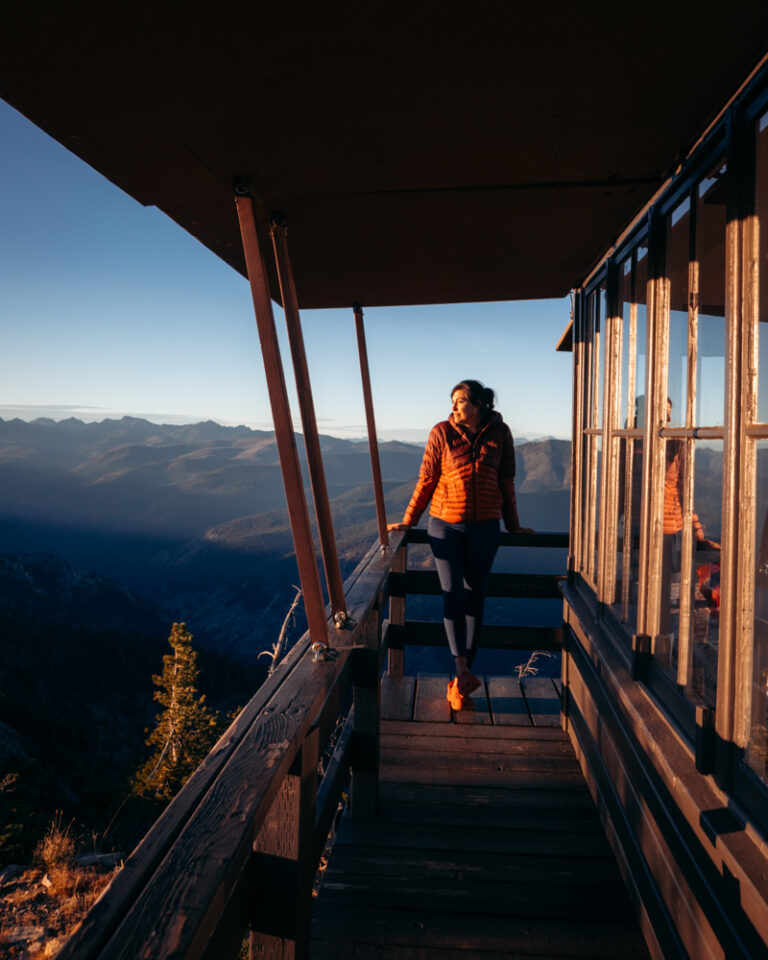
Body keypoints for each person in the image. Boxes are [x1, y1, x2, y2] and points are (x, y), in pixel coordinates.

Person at [387, 380, 533, 710]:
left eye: (461, 401)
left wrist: (513, 525)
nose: (453, 406)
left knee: (475, 595)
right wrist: (409, 521)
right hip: (444, 524)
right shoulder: (441, 432)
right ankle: (461, 668)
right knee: (452, 590)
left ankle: (461, 684)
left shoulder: (501, 433)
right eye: (452, 401)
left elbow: (506, 480)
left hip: (485, 527)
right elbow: (426, 479)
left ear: (479, 404)